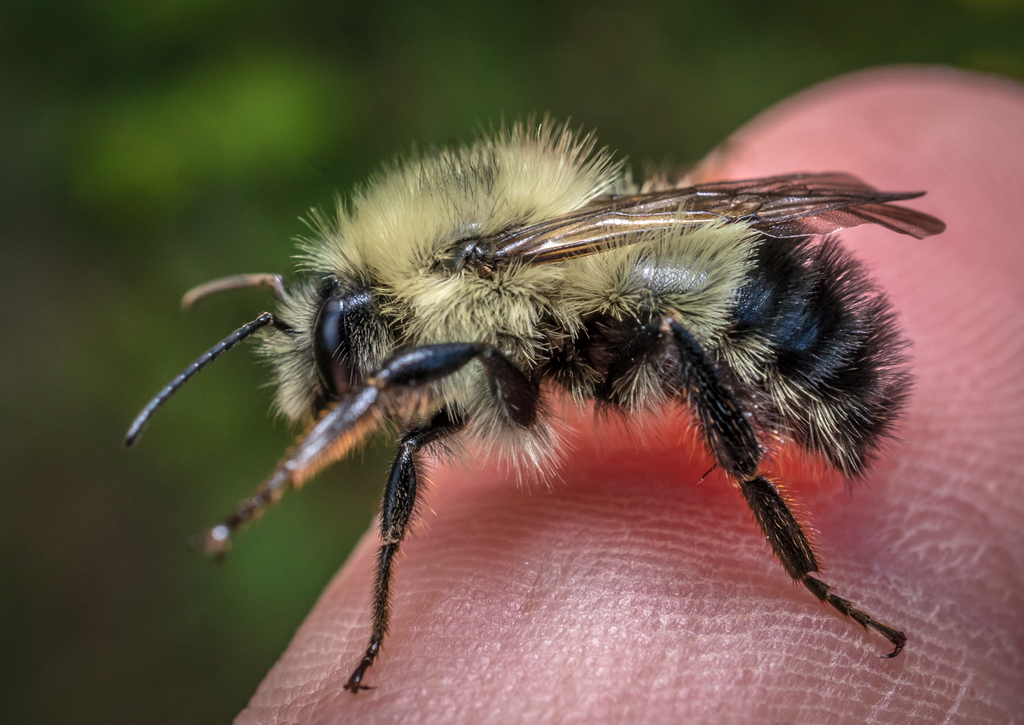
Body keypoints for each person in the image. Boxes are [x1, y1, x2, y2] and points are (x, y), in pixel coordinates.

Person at [237, 67, 1024, 723]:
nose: (366, 382)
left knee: (674, 334)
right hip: (669, 288)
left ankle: (802, 570)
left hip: (752, 318)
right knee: (420, 437)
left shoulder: (465, 286)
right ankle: (372, 605)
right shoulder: (469, 303)